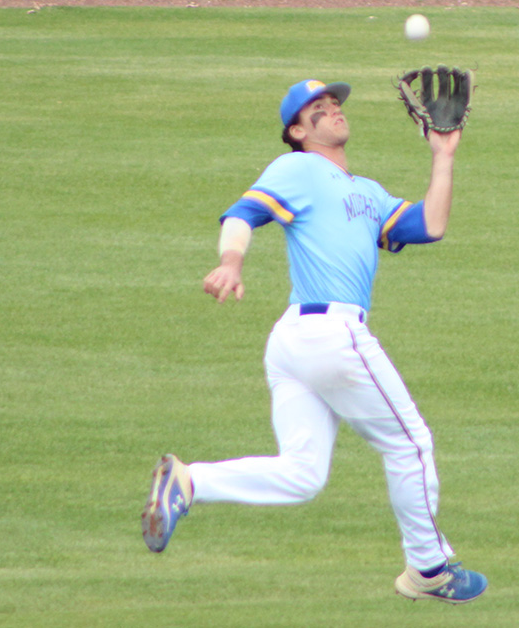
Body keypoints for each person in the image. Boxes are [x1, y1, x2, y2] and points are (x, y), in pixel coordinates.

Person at [141, 78, 487, 605]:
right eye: (318, 110)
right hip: (330, 334)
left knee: (302, 475)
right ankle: (430, 567)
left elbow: (431, 224)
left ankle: (189, 482)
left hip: (296, 344)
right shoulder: (297, 169)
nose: (332, 111)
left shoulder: (368, 192)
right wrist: (231, 261)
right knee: (410, 442)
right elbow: (242, 214)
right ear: (298, 131)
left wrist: (443, 154)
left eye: (334, 104)